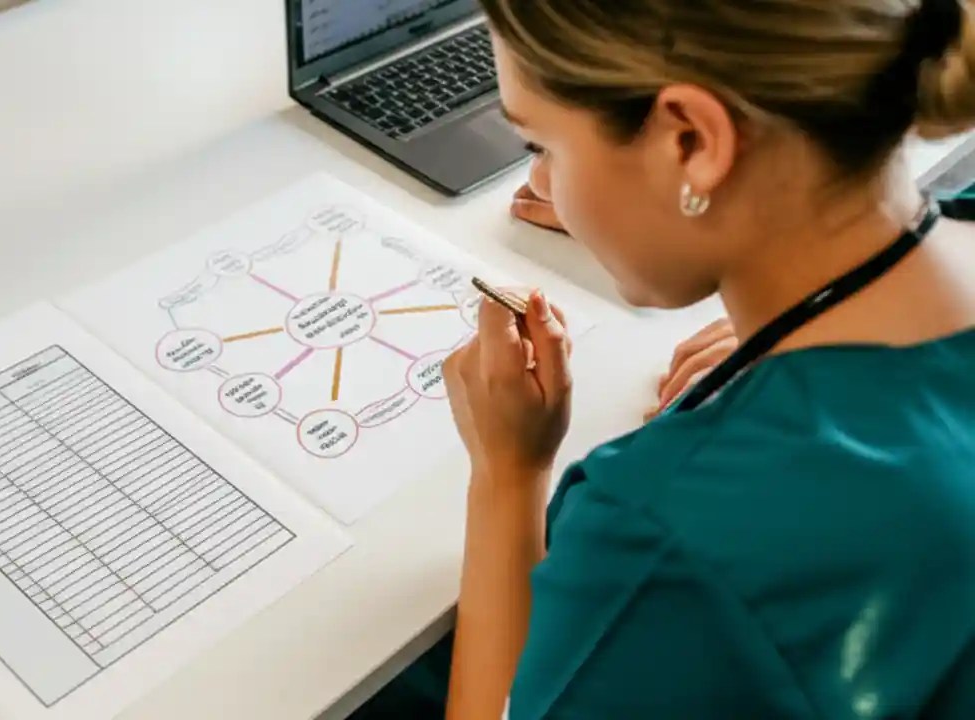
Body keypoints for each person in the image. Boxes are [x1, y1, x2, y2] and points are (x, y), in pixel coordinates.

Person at [352, 0, 975, 717]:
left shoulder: (667, 530)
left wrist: (507, 473)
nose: (543, 189)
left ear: (691, 143)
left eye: (543, 149)